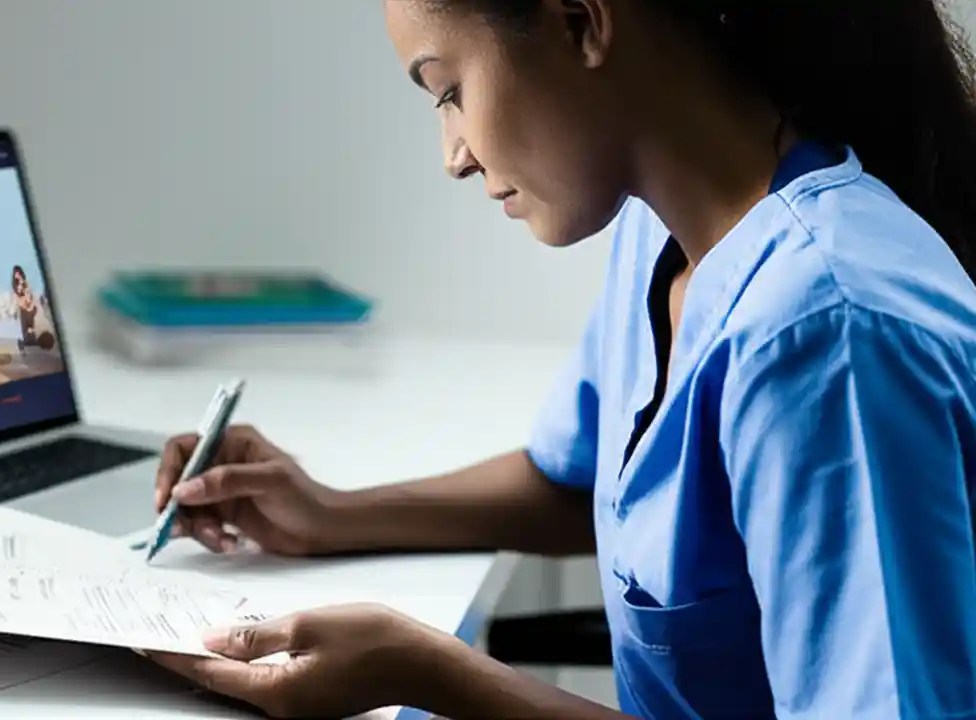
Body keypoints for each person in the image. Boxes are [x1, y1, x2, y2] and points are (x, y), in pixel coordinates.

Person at [147, 1, 976, 718]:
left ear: (581, 21)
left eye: (449, 91)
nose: (455, 153)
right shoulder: (663, 238)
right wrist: (328, 514)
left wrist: (434, 671)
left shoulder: (827, 335)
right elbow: (591, 488)